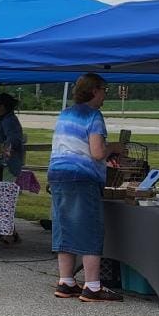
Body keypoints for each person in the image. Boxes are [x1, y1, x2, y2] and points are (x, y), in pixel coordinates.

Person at [48, 72, 115, 299]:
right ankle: (93, 286)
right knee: (89, 228)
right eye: (105, 90)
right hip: (82, 177)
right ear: (95, 91)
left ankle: (66, 281)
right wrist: (114, 148)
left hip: (58, 174)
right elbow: (97, 153)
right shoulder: (94, 116)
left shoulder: (65, 114)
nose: (106, 95)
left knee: (64, 225)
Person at [0, 92, 26, 182]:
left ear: (2, 107)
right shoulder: (6, 120)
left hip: (6, 165)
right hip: (0, 164)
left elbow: (13, 140)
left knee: (2, 190)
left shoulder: (9, 121)